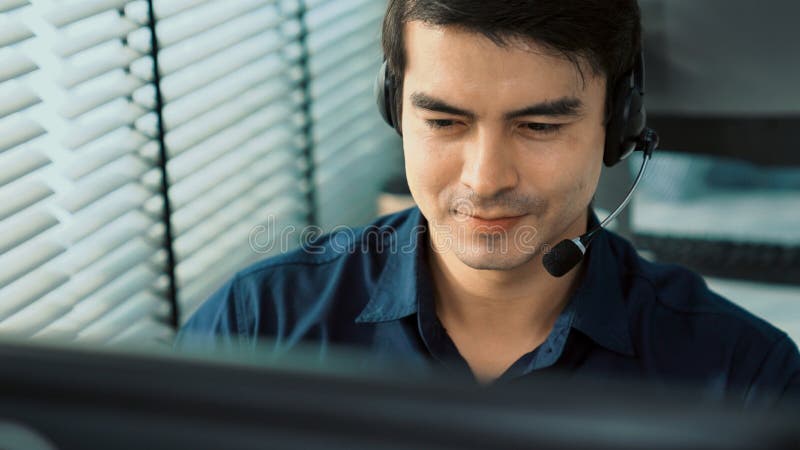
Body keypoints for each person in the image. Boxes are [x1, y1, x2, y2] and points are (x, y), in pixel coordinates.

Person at [175, 0, 800, 408]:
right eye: (445, 122)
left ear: (618, 126)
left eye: (539, 127)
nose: (486, 178)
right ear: (396, 111)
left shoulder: (745, 381)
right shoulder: (254, 325)